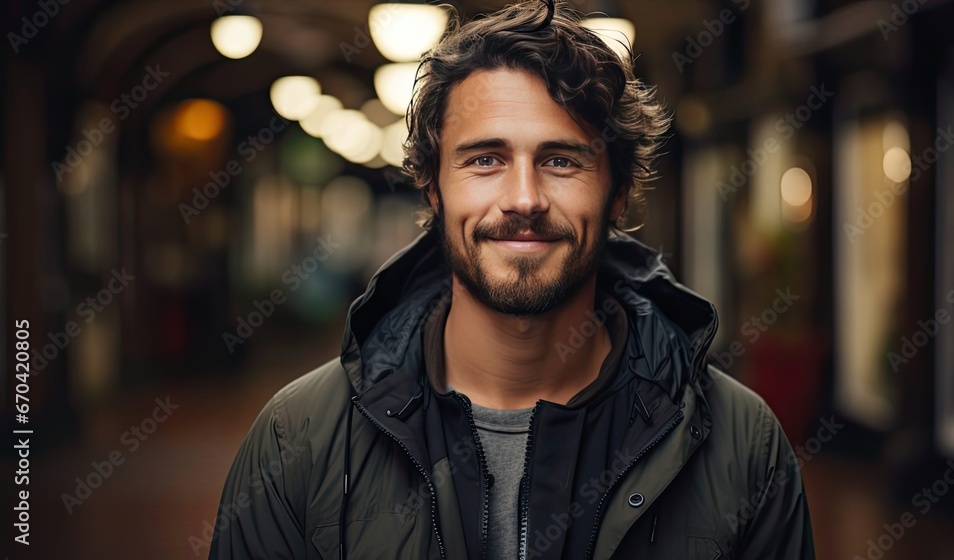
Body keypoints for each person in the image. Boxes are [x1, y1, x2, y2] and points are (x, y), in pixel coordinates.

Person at [209, 1, 815, 558]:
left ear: (618, 193)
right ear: (433, 188)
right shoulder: (299, 439)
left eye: (561, 160)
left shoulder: (742, 445)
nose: (523, 198)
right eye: (485, 160)